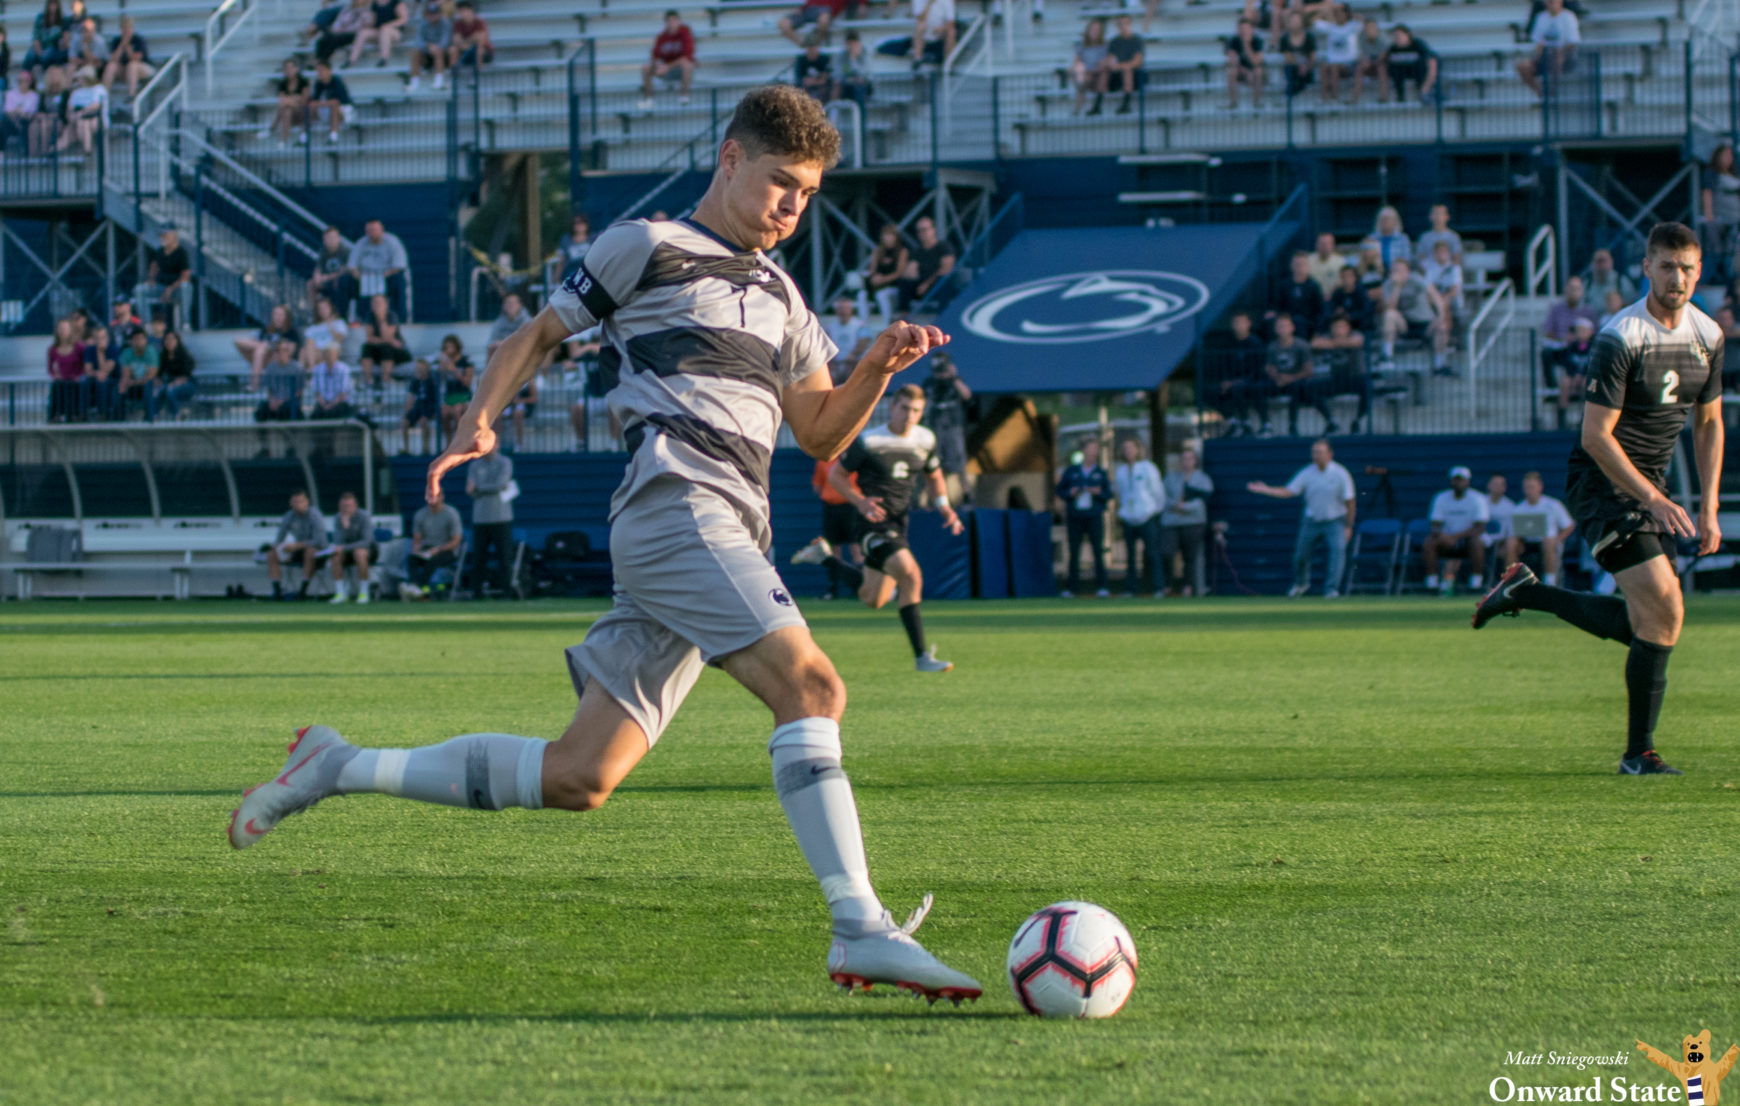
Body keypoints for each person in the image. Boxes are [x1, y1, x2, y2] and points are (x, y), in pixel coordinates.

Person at [227, 85, 983, 1002]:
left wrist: (874, 369)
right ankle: (860, 926)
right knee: (814, 688)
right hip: (678, 505)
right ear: (731, 160)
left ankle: (337, 764)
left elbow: (821, 432)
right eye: (782, 182)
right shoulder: (647, 245)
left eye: (809, 194)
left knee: (580, 775)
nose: (793, 206)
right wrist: (477, 421)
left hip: (726, 526)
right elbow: (535, 335)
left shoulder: (785, 297)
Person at [1474, 222, 1724, 776]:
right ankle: (1638, 755)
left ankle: (1528, 592)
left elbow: (1709, 423)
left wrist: (1708, 506)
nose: (1677, 277)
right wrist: (1652, 498)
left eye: (1686, 268)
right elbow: (1595, 436)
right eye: (1666, 266)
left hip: (1651, 488)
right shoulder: (1621, 335)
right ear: (1647, 267)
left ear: (1699, 271)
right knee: (1664, 610)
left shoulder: (1708, 334)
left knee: (1653, 625)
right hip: (1602, 483)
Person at [792, 385, 962, 670]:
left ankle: (824, 559)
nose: (909, 416)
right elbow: (836, 477)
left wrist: (944, 506)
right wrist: (860, 502)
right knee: (911, 575)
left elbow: (934, 476)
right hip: (872, 523)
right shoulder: (869, 441)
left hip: (899, 523)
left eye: (916, 411)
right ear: (893, 408)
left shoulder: (925, 439)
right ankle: (922, 657)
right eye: (904, 408)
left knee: (873, 598)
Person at [1247, 437, 1355, 598]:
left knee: (1338, 552)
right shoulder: (1307, 473)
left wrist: (1348, 526)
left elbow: (1350, 501)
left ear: (1330, 454)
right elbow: (1289, 491)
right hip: (1311, 521)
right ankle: (1301, 584)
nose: (1316, 456)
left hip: (1335, 520)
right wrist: (1266, 489)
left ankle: (1331, 590)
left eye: (1320, 452)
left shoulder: (1341, 473)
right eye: (1314, 452)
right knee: (1300, 555)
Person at [1056, 438, 1112, 597]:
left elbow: (1108, 494)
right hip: (1075, 517)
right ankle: (1071, 588)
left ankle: (1102, 587)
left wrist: (1098, 492)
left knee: (1098, 551)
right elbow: (1060, 490)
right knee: (1074, 552)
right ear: (1084, 451)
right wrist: (1070, 493)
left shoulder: (1101, 472)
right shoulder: (1071, 471)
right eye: (1091, 448)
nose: (1094, 452)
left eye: (1096, 449)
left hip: (1094, 516)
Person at [1422, 465, 1489, 595]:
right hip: (1446, 540)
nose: (1458, 483)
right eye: (1455, 480)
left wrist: (1454, 537)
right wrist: (1444, 536)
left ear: (1467, 481)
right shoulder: (1441, 498)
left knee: (1476, 542)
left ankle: (1476, 583)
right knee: (1429, 542)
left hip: (1468, 540)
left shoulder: (1478, 499)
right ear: (1451, 481)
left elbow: (1480, 527)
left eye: (1461, 480)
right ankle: (1432, 584)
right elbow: (1435, 524)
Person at [1377, 257, 1449, 375]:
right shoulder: (1389, 284)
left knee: (1442, 327)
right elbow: (1390, 307)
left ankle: (1439, 365)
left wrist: (1440, 317)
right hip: (1405, 324)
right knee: (1390, 315)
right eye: (1395, 270)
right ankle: (1387, 356)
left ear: (1407, 271)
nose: (1398, 273)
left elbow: (1435, 296)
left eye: (1401, 270)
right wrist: (1397, 287)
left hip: (1424, 322)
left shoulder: (1416, 279)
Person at [1113, 438, 1164, 597]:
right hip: (1128, 517)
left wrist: (1154, 511)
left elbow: (1157, 492)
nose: (1128, 451)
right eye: (1125, 448)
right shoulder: (1120, 471)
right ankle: (1131, 589)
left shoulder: (1148, 467)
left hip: (1147, 516)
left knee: (1152, 553)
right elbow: (1119, 494)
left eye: (1131, 447)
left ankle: (1158, 588)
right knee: (1130, 556)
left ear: (1138, 449)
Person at [1160, 446, 1213, 596]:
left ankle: (1188, 587)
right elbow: (1162, 496)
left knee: (1189, 556)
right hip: (1171, 522)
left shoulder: (1202, 479)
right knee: (1167, 552)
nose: (1186, 461)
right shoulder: (1171, 477)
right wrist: (1174, 505)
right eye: (1183, 458)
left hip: (1193, 522)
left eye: (1190, 458)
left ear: (1195, 461)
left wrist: (1184, 507)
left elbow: (1203, 499)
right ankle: (1167, 585)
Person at [466, 444, 516, 598]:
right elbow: (469, 489)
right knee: (479, 557)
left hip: (501, 517)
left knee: (504, 556)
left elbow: (501, 484)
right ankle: (477, 591)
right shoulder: (475, 465)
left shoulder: (505, 462)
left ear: (497, 445)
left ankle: (507, 591)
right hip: (480, 518)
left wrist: (478, 488)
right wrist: (479, 489)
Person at [1212, 310, 1270, 435]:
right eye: (1236, 322)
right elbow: (1224, 365)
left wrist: (1236, 382)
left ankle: (1252, 424)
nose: (1238, 325)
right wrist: (1225, 381)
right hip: (1233, 382)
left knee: (1242, 389)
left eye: (1241, 322)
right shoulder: (1228, 343)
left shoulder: (1256, 343)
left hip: (1252, 381)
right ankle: (1233, 422)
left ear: (1248, 324)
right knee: (1210, 391)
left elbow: (1258, 370)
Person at [809, 456, 860, 598]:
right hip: (831, 507)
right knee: (833, 548)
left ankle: (859, 586)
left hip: (851, 506)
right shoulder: (824, 460)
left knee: (856, 547)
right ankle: (833, 588)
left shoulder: (853, 459)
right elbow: (817, 486)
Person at [1538, 275, 1601, 388]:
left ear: (1582, 291)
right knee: (1546, 353)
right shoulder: (1556, 309)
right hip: (1563, 348)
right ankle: (1552, 388)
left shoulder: (1588, 311)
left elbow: (1596, 333)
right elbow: (1548, 331)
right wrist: (1563, 339)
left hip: (1582, 349)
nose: (1573, 292)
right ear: (1565, 290)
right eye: (1571, 288)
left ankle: (1584, 387)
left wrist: (1581, 338)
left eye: (1577, 288)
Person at [266, 488, 328, 600]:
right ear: (291, 503)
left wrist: (296, 545)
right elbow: (280, 537)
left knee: (310, 552)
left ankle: (302, 592)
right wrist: (277, 547)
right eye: (295, 502)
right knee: (272, 554)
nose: (298, 505)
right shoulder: (289, 516)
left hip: (319, 553)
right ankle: (277, 592)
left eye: (301, 501)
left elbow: (319, 541)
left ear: (307, 502)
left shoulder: (315, 515)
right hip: (299, 550)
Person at [919, 352, 971, 484]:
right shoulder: (929, 383)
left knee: (958, 460)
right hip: (935, 424)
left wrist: (953, 377)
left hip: (953, 424)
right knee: (936, 459)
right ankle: (937, 491)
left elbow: (966, 395)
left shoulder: (955, 381)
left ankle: (966, 492)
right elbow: (922, 403)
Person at [402, 487, 463, 598]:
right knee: (412, 559)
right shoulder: (420, 514)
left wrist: (438, 549)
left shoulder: (451, 514)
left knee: (433, 560)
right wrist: (417, 551)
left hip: (447, 550)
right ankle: (414, 585)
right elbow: (417, 539)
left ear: (442, 497)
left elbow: (456, 541)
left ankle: (421, 589)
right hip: (428, 548)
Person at [133, 224, 193, 330]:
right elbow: (154, 266)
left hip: (176, 289)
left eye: (165, 235)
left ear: (173, 235)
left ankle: (185, 323)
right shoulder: (160, 251)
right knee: (139, 289)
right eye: (161, 235)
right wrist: (151, 280)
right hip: (161, 287)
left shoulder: (181, 252)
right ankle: (147, 324)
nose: (162, 237)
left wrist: (170, 289)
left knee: (186, 287)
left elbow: (186, 276)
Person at [322, 491, 376, 604]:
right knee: (335, 556)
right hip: (347, 552)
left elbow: (366, 542)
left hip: (368, 551)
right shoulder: (338, 518)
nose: (346, 509)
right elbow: (338, 542)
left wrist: (344, 547)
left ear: (355, 506)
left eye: (349, 506)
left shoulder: (364, 517)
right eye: (343, 506)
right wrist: (345, 528)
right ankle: (340, 592)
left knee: (359, 553)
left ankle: (364, 592)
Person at [346, 219, 408, 317]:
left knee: (398, 280)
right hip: (364, 279)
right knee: (344, 281)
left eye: (374, 230)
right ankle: (343, 318)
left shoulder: (393, 242)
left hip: (386, 278)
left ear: (382, 229)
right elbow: (352, 266)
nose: (372, 233)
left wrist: (379, 278)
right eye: (369, 231)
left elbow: (398, 266)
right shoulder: (361, 243)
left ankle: (400, 318)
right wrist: (360, 276)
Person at [1516, 0, 1578, 99]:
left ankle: (1552, 90)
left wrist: (1558, 53)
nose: (1550, 3)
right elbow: (1539, 43)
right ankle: (1540, 91)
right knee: (1523, 66)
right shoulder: (1541, 17)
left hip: (1564, 57)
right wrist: (1541, 56)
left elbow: (1571, 44)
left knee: (1555, 57)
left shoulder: (1569, 17)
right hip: (1545, 56)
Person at [1264, 313, 1313, 435]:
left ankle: (1293, 424)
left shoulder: (1302, 345)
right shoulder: (1272, 346)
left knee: (1296, 388)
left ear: (1292, 327)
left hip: (1297, 381)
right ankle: (1266, 425)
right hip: (1279, 381)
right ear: (1275, 329)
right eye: (1280, 326)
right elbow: (1269, 367)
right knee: (1259, 388)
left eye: (1285, 326)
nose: (1283, 329)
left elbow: (1308, 370)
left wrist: (1289, 378)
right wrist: (1277, 377)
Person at [896, 215, 954, 311]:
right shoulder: (917, 251)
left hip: (937, 284)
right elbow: (910, 272)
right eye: (919, 231)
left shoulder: (944, 247)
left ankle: (943, 315)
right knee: (904, 282)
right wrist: (909, 272)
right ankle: (903, 313)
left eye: (924, 229)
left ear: (933, 229)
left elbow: (946, 269)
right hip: (921, 286)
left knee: (944, 282)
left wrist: (926, 283)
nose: (922, 233)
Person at [639, 10, 695, 109]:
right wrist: (658, 65)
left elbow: (686, 57)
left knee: (687, 65)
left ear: (679, 21)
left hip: (679, 69)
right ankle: (649, 98)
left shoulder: (685, 34)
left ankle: (684, 96)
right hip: (665, 69)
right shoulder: (662, 37)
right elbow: (655, 56)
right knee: (645, 68)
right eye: (669, 21)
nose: (671, 23)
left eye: (674, 20)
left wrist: (668, 66)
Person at [1699, 144, 1738, 283]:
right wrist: (1709, 216)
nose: (1728, 159)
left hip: (1733, 219)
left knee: (1731, 251)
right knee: (1715, 251)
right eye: (1725, 155)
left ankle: (1730, 281)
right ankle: (1706, 280)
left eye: (1730, 156)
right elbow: (1707, 193)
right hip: (1718, 219)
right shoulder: (1712, 173)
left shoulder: (1732, 174)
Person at [240, 304, 302, 387]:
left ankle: (254, 384)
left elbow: (290, 351)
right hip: (262, 357)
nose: (277, 317)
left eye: (280, 314)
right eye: (275, 314)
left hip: (278, 359)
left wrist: (270, 346)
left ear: (286, 317)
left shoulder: (292, 332)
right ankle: (257, 377)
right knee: (244, 343)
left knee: (261, 349)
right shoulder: (267, 330)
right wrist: (262, 345)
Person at [358, 293, 411, 387]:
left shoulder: (391, 316)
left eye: (379, 302)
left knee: (386, 348)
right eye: (374, 302)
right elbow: (369, 338)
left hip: (398, 352)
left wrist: (382, 319)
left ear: (386, 304)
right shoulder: (370, 316)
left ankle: (385, 380)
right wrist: (388, 341)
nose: (376, 305)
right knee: (366, 347)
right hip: (382, 349)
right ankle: (368, 380)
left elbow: (387, 335)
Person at [1271, 250, 1326, 338]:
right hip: (1287, 321)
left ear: (1308, 266)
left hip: (1308, 322)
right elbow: (1278, 305)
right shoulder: (1284, 285)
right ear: (1291, 266)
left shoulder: (1314, 286)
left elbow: (1320, 310)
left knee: (1300, 322)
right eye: (1297, 264)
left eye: (1303, 264)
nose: (1300, 267)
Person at [1096, 15, 1143, 116]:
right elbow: (1111, 58)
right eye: (1120, 24)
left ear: (1130, 24)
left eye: (1125, 23)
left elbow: (1137, 62)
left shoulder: (1137, 41)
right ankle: (1097, 104)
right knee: (1104, 71)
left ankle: (1126, 104)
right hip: (1117, 74)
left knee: (1127, 70)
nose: (1123, 26)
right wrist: (1107, 64)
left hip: (1134, 76)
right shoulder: (1114, 41)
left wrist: (1120, 66)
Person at [254, 338, 304, 424]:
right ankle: (263, 432)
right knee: (262, 408)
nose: (281, 353)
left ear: (288, 352)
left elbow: (299, 392)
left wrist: (282, 401)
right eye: (278, 350)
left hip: (290, 401)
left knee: (286, 408)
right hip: (275, 401)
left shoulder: (297, 368)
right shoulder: (270, 368)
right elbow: (270, 390)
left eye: (284, 350)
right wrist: (272, 401)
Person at [46, 317, 86, 423]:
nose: (63, 332)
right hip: (62, 379)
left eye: (65, 329)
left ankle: (75, 415)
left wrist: (79, 375)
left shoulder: (79, 347)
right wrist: (55, 375)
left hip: (76, 379)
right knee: (57, 387)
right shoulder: (52, 349)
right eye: (60, 329)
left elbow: (85, 365)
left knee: (74, 387)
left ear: (70, 330)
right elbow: (50, 368)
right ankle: (55, 416)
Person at [824, 296, 871, 385]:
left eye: (846, 309)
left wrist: (852, 355)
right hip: (836, 362)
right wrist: (831, 361)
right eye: (841, 309)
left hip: (853, 361)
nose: (843, 312)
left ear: (851, 310)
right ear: (836, 311)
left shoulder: (860, 326)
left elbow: (863, 344)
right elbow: (825, 346)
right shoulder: (829, 328)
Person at [1383, 24, 1436, 102]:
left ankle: (1423, 93)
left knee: (1420, 65)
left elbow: (1430, 58)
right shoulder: (1393, 48)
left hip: (1418, 71)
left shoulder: (1417, 44)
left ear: (1407, 35)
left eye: (1399, 35)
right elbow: (1386, 59)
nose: (1397, 38)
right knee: (1394, 67)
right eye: (1395, 36)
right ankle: (1400, 95)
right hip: (1402, 72)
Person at [117, 325, 160, 421]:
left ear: (145, 340)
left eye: (141, 339)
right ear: (131, 341)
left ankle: (150, 419)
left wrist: (133, 382)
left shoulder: (151, 352)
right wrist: (125, 383)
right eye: (136, 339)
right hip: (133, 386)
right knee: (119, 388)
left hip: (146, 385)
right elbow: (125, 374)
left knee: (149, 386)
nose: (138, 342)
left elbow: (150, 375)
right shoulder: (126, 353)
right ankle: (118, 420)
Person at [437, 332, 476, 439]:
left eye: (450, 347)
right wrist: (441, 368)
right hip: (450, 396)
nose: (448, 350)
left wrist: (454, 370)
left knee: (457, 410)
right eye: (446, 347)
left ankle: (460, 439)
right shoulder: (445, 362)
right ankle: (449, 440)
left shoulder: (466, 361)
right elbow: (438, 381)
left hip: (463, 396)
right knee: (443, 412)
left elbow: (467, 382)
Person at [865, 222, 907, 321]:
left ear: (896, 237)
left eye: (891, 235)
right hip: (878, 286)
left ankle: (887, 323)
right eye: (886, 235)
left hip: (894, 286)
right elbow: (872, 271)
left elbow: (899, 273)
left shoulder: (902, 251)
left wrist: (883, 279)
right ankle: (864, 324)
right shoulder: (877, 251)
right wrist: (874, 278)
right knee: (861, 295)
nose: (888, 238)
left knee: (882, 295)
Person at [1317, 3, 1358, 103]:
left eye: (1341, 12)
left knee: (1334, 67)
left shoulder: (1353, 26)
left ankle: (1334, 97)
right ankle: (1324, 97)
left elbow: (1364, 22)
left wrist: (1351, 14)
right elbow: (1314, 22)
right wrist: (1327, 11)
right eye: (1336, 12)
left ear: (1346, 14)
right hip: (1333, 63)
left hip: (1348, 64)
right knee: (1325, 67)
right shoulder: (1330, 27)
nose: (1339, 14)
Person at [101, 15, 150, 98]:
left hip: (141, 69)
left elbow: (136, 59)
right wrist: (121, 46)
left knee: (132, 65)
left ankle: (131, 95)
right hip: (124, 71)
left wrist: (127, 46)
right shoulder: (116, 41)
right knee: (111, 66)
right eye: (124, 29)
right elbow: (113, 59)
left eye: (128, 28)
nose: (126, 31)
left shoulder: (138, 40)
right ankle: (104, 96)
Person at [306, 57, 352, 144]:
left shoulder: (336, 82)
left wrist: (319, 104)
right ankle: (304, 136)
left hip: (343, 111)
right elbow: (314, 101)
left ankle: (333, 137)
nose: (320, 73)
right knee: (310, 107)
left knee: (334, 106)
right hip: (326, 111)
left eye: (322, 70)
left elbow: (336, 102)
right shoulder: (318, 84)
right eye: (318, 71)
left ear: (329, 70)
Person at [350, 0, 407, 69]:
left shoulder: (396, 3)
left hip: (394, 32)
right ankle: (352, 60)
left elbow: (403, 19)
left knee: (385, 30)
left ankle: (384, 58)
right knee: (363, 32)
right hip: (379, 31)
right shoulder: (375, 4)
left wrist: (388, 25)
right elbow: (373, 22)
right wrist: (366, 23)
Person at [400, 356, 440, 454]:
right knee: (405, 422)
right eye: (418, 368)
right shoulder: (415, 381)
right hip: (418, 407)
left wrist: (435, 411)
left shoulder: (432, 380)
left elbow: (436, 397)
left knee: (423, 421)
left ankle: (425, 447)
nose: (419, 370)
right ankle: (406, 448)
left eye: (421, 368)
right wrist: (407, 411)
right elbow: (411, 397)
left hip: (429, 407)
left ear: (426, 369)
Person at [407, 0, 450, 92]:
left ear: (439, 14)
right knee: (415, 52)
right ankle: (414, 82)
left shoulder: (445, 23)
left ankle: (439, 81)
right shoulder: (423, 24)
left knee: (439, 51)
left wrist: (436, 47)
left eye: (434, 14)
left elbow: (445, 41)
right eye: (430, 14)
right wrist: (429, 46)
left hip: (442, 54)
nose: (432, 16)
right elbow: (418, 41)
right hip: (427, 52)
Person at [307, 225, 351, 316]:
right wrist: (317, 278)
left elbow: (344, 271)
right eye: (328, 238)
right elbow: (318, 268)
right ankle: (316, 314)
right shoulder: (323, 252)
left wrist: (326, 277)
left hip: (339, 280)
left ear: (338, 238)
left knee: (339, 281)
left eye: (333, 237)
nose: (331, 240)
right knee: (310, 284)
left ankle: (339, 315)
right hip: (326, 281)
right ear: (324, 240)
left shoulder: (345, 251)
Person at [153, 328, 196, 419]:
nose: (169, 342)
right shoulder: (163, 356)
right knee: (157, 391)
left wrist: (175, 383)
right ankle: (154, 416)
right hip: (170, 382)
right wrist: (158, 381)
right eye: (167, 339)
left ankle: (176, 415)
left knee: (170, 390)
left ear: (177, 341)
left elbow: (186, 375)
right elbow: (159, 374)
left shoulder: (184, 355)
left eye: (172, 339)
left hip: (186, 384)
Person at [1068, 19, 1108, 116]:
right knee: (1079, 68)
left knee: (1100, 72)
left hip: (1096, 75)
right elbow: (1076, 60)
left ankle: (1080, 103)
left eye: (1097, 30)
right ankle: (1080, 93)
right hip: (1084, 73)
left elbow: (1102, 63)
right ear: (1088, 30)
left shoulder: (1104, 46)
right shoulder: (1081, 45)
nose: (1095, 32)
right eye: (1093, 29)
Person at [1224, 17, 1264, 109]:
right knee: (1231, 72)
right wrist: (1241, 68)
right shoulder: (1233, 41)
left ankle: (1256, 103)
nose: (1244, 32)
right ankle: (1233, 103)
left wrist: (1247, 46)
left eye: (1246, 29)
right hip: (1241, 71)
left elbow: (1256, 62)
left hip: (1254, 72)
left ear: (1251, 30)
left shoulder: (1257, 41)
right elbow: (1231, 59)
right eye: (1242, 29)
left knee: (1258, 72)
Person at [308, 343, 355, 420]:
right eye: (327, 353)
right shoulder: (318, 369)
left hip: (339, 403)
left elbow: (343, 394)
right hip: (323, 403)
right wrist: (324, 404)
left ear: (337, 354)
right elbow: (317, 392)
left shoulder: (344, 369)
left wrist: (331, 405)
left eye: (332, 353)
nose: (329, 356)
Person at [303, 295, 349, 368]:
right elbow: (308, 343)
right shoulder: (313, 327)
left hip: (331, 351)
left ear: (331, 308)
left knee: (311, 353)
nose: (323, 311)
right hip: (315, 352)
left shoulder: (339, 323)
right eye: (320, 309)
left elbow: (339, 339)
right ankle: (312, 369)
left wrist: (330, 326)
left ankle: (312, 371)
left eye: (325, 308)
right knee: (303, 351)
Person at [1328, 263, 1373, 334]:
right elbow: (1330, 310)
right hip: (1340, 326)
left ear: (1354, 278)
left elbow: (1366, 311)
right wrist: (1336, 313)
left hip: (1358, 327)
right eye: (1343, 276)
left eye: (1348, 276)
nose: (1346, 279)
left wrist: (1349, 316)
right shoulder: (1337, 293)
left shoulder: (1362, 293)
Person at [1414, 203, 1463, 268]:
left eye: (1441, 214)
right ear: (1430, 216)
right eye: (1435, 213)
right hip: (1429, 270)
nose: (1438, 217)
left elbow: (1457, 258)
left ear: (1447, 217)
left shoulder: (1454, 237)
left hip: (1448, 271)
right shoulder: (1424, 237)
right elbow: (1421, 258)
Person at [1278, 11, 1314, 99]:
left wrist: (1306, 67)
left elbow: (1313, 57)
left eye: (1297, 21)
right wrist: (1299, 65)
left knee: (1304, 73)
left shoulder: (1309, 37)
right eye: (1293, 21)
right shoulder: (1284, 38)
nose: (1295, 23)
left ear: (1302, 22)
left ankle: (1294, 91)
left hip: (1306, 68)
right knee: (1289, 68)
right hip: (1292, 68)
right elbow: (1287, 56)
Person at [446, 1, 492, 69]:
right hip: (464, 48)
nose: (462, 13)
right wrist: (469, 42)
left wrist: (468, 43)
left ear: (470, 10)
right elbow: (456, 40)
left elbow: (482, 40)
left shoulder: (479, 21)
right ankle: (454, 73)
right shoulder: (458, 23)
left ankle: (477, 73)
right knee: (452, 49)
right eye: (460, 11)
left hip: (480, 50)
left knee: (479, 50)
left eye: (464, 10)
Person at [1351, 15, 1386, 104]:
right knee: (1359, 68)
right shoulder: (1361, 38)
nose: (1370, 30)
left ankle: (1383, 97)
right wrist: (1365, 61)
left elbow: (1383, 57)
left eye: (1372, 27)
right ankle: (1355, 98)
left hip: (1379, 64)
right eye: (1368, 28)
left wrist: (1371, 62)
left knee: (1381, 68)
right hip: (1367, 64)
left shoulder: (1382, 38)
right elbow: (1360, 55)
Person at [487, 292, 532, 360]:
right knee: (492, 348)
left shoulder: (527, 321)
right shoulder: (499, 321)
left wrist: (504, 343)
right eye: (508, 303)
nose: (511, 306)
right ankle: (489, 367)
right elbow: (492, 341)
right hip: (504, 352)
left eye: (513, 303)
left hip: (521, 352)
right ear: (503, 306)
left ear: (519, 305)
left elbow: (525, 342)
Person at [911, 0, 956, 67]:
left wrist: (940, 29)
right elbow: (920, 18)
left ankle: (948, 63)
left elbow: (951, 23)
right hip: (926, 29)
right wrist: (929, 4)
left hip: (941, 30)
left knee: (951, 32)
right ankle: (917, 59)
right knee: (920, 27)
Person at [837, 31, 872, 113]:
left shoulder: (864, 54)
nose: (852, 47)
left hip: (863, 87)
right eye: (850, 44)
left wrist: (853, 58)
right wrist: (851, 58)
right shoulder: (842, 56)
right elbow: (838, 74)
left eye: (854, 44)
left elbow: (865, 74)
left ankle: (860, 119)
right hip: (846, 86)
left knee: (859, 88)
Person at [1304, 233, 1344, 299]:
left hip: (1333, 298)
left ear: (1333, 245)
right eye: (1322, 244)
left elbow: (1342, 282)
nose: (1325, 246)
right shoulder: (1308, 260)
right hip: (1311, 298)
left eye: (1328, 244)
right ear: (1316, 245)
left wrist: (1331, 294)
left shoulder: (1340, 262)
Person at [794, 36, 834, 103]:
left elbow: (825, 78)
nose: (812, 49)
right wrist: (813, 81)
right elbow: (800, 78)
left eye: (814, 47)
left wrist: (815, 81)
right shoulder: (801, 60)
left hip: (821, 86)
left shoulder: (824, 59)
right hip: (806, 86)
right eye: (810, 47)